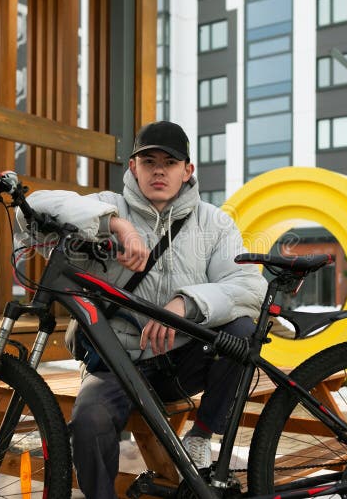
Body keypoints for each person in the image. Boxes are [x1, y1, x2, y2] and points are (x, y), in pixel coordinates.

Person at [19, 121, 267, 499]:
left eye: (170, 162)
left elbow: (249, 287)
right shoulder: (107, 206)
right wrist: (114, 224)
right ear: (133, 167)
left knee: (242, 332)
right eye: (148, 160)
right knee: (90, 420)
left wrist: (187, 304)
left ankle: (201, 435)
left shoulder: (214, 223)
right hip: (119, 362)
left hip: (182, 361)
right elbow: (31, 212)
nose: (159, 170)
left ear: (188, 170)